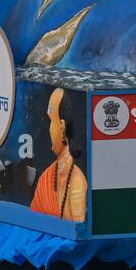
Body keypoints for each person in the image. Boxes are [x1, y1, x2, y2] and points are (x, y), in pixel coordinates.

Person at [29, 88, 87, 221]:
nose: (48, 129)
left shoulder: (77, 182)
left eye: (50, 120)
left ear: (62, 126)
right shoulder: (46, 177)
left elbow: (78, 232)